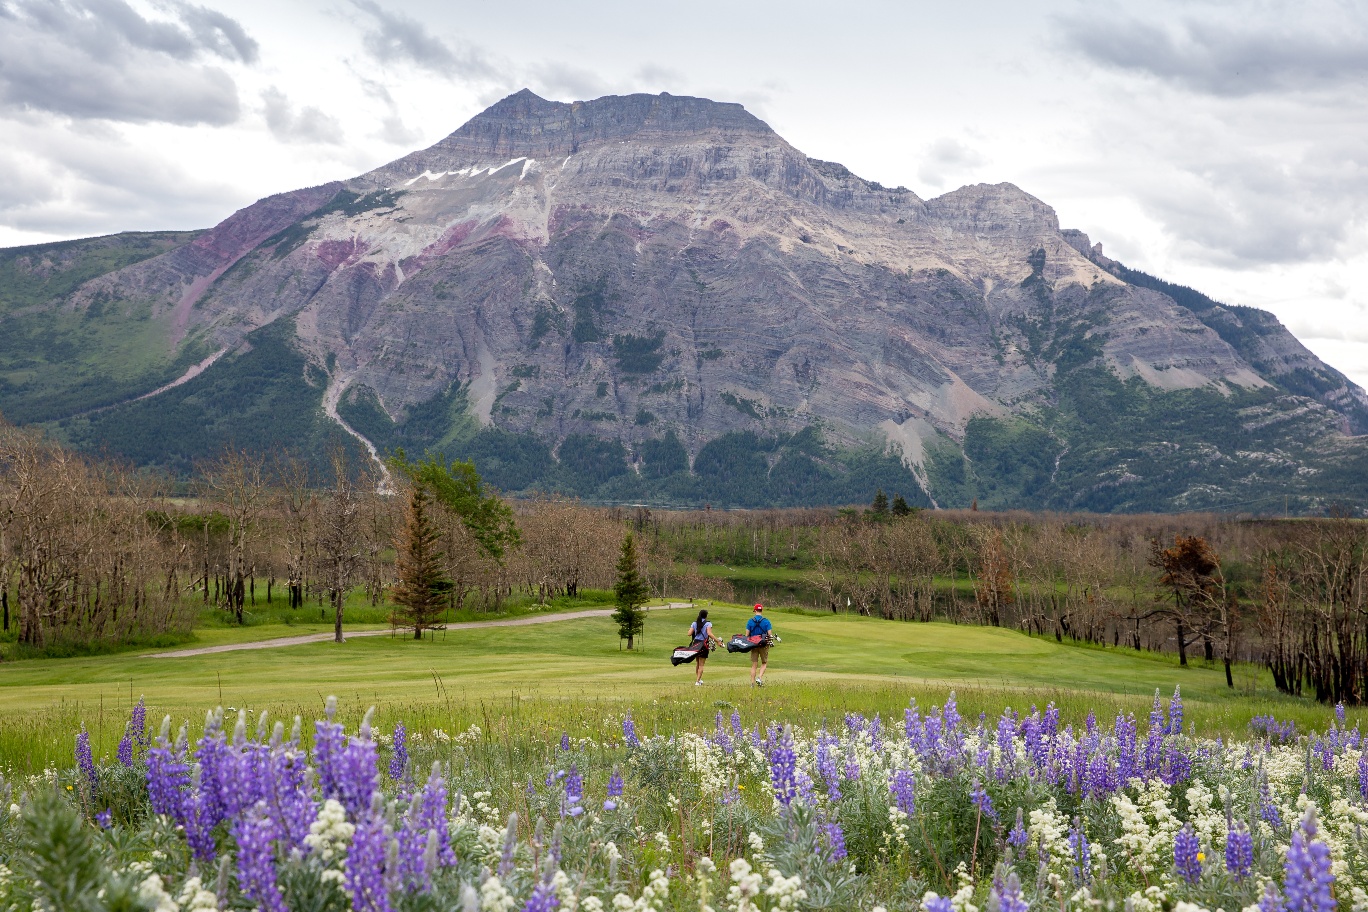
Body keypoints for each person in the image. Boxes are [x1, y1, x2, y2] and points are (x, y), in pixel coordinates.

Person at [687, 609, 720, 686]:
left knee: (698, 663)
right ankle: (697, 681)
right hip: (703, 644)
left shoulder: (694, 623)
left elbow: (689, 633)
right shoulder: (708, 624)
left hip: (695, 644)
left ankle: (698, 679)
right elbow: (709, 633)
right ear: (706, 616)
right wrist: (717, 640)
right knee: (701, 664)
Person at [747, 604, 773, 686]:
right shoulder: (766, 621)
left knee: (754, 664)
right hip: (763, 644)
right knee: (764, 663)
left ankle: (752, 683)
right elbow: (770, 634)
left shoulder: (750, 621)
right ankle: (759, 677)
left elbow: (747, 635)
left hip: (754, 645)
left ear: (755, 611)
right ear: (762, 610)